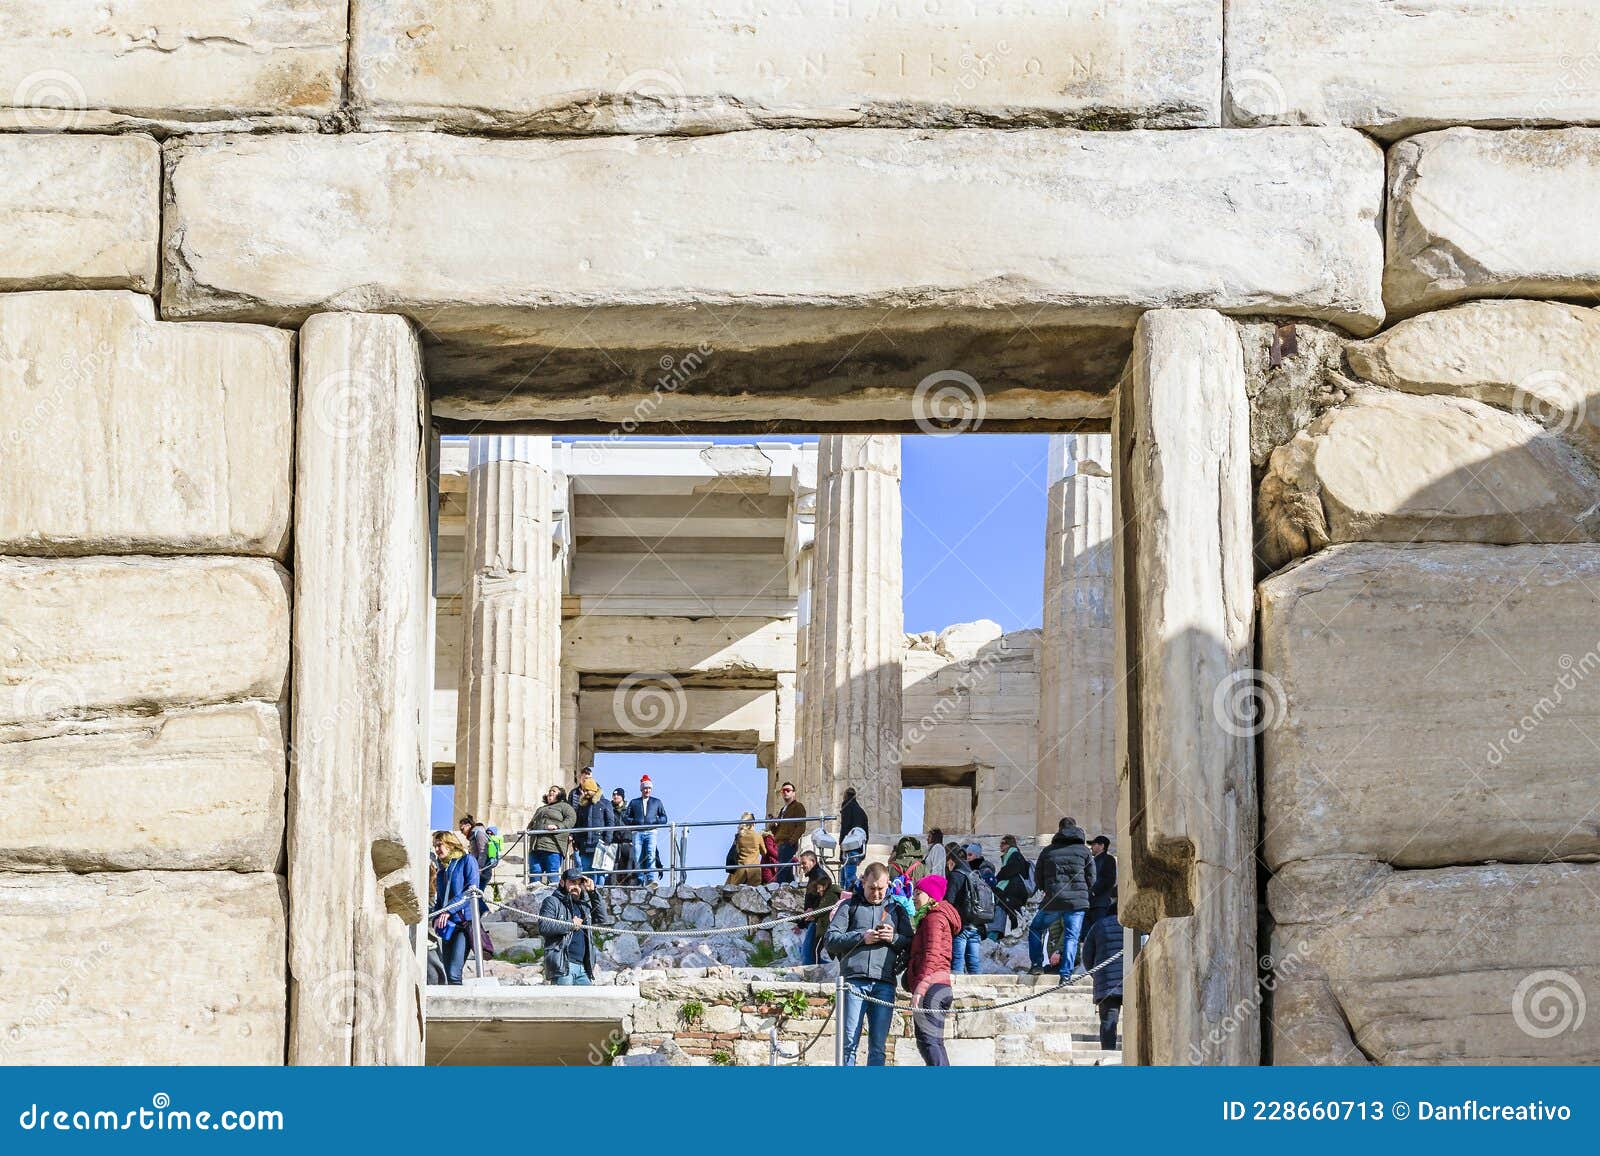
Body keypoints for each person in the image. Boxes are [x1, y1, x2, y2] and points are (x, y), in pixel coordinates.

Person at [825, 862, 913, 1066]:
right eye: (872, 888)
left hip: (884, 983)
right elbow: (831, 939)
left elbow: (910, 943)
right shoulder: (848, 906)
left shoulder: (897, 909)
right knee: (848, 1043)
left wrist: (894, 938)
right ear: (863, 882)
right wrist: (861, 937)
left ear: (888, 885)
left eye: (881, 889)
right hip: (854, 983)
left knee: (878, 1047)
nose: (876, 894)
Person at [1028, 819, 1096, 982]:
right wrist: (1083, 891)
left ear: (1059, 830)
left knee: (1036, 929)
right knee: (1072, 937)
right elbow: (1092, 877)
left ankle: (1037, 965)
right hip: (1077, 902)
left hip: (1053, 899)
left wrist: (1047, 888)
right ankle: (1066, 975)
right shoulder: (1084, 851)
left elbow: (1038, 876)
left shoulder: (1048, 851)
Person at [905, 875, 961, 1066]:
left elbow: (932, 955)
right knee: (930, 1042)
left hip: (932, 987)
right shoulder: (932, 917)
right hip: (939, 985)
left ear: (931, 896)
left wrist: (921, 988)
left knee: (929, 1042)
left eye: (918, 893)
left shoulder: (934, 919)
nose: (914, 897)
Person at [431, 830, 481, 985]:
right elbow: (440, 899)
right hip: (448, 926)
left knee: (453, 972)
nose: (437, 849)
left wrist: (448, 911)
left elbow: (471, 890)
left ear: (450, 843)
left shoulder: (467, 860)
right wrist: (435, 916)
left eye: (439, 845)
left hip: (463, 924)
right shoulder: (442, 871)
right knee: (447, 972)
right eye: (435, 846)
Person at [537, 868, 600, 985]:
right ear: (562, 883)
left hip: (583, 968)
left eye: (579, 883)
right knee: (562, 1002)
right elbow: (543, 926)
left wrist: (593, 892)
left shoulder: (584, 906)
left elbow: (602, 918)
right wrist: (570, 924)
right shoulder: (552, 901)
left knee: (589, 1001)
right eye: (572, 882)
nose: (576, 886)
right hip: (563, 966)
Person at [1082, 907, 1124, 1050]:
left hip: (1106, 980)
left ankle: (1108, 1052)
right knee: (1136, 1018)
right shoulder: (1134, 925)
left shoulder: (1098, 926)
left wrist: (1096, 975)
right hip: (1131, 979)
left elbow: (1087, 956)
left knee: (1108, 1020)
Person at [943, 842, 986, 974]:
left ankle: (956, 993)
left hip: (961, 926)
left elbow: (949, 902)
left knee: (957, 963)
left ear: (951, 861)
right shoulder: (974, 874)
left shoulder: (955, 875)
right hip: (976, 924)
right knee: (974, 964)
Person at [796, 849, 840, 965]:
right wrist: (801, 923)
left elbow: (824, 902)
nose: (802, 866)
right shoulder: (814, 876)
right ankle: (830, 969)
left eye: (804, 863)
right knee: (808, 954)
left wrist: (811, 914)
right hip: (814, 919)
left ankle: (814, 976)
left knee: (809, 954)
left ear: (813, 861)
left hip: (818, 920)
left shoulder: (820, 876)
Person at [623, 775, 668, 885]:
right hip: (637, 832)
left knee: (650, 854)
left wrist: (655, 822)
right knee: (637, 855)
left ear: (651, 789)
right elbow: (625, 817)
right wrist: (634, 822)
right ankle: (640, 879)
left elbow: (664, 817)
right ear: (641, 789)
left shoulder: (657, 802)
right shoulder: (634, 802)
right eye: (645, 788)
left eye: (649, 788)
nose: (647, 790)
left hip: (651, 832)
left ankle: (651, 878)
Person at [527, 784, 575, 882]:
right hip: (536, 846)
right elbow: (532, 823)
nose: (551, 792)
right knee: (534, 872)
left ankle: (555, 895)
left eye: (554, 791)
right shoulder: (541, 809)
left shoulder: (565, 807)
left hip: (553, 846)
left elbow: (571, 819)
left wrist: (558, 827)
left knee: (552, 873)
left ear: (560, 794)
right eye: (550, 791)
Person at [568, 774, 612, 881]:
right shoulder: (582, 806)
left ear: (593, 789)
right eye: (584, 791)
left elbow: (610, 822)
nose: (585, 793)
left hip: (600, 842)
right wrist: (576, 841)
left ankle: (600, 891)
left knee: (599, 870)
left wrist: (608, 839)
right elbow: (578, 824)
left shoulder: (605, 803)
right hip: (585, 843)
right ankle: (588, 892)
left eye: (587, 790)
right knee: (586, 870)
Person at [992, 834, 1032, 940]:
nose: (1000, 845)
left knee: (1006, 907)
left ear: (1009, 844)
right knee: (1006, 907)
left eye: (1003, 843)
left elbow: (1011, 870)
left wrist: (998, 877)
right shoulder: (1011, 855)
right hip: (1012, 888)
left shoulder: (1014, 854)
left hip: (1014, 889)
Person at [1083, 835, 1118, 957]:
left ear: (1102, 846)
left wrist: (1093, 891)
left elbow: (1108, 880)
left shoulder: (1108, 860)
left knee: (1099, 931)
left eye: (1094, 844)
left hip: (1100, 902)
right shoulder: (1091, 861)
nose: (1091, 847)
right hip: (1088, 903)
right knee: (1087, 934)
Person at [768, 781, 806, 884]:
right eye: (783, 791)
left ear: (793, 793)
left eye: (788, 790)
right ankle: (791, 888)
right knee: (786, 869)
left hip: (788, 843)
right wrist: (772, 827)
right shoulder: (782, 810)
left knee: (782, 869)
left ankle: (778, 889)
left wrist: (792, 841)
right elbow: (779, 831)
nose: (785, 793)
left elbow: (801, 826)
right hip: (781, 843)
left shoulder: (798, 806)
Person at [838, 786, 870, 889]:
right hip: (858, 848)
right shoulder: (862, 812)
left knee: (848, 878)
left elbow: (845, 828)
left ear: (845, 796)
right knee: (845, 876)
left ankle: (850, 899)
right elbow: (866, 835)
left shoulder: (846, 805)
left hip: (848, 847)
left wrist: (840, 849)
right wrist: (862, 854)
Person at [726, 812, 765, 885]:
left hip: (740, 870)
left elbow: (736, 851)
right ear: (753, 823)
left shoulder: (739, 836)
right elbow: (764, 852)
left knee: (732, 892)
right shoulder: (758, 836)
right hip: (754, 871)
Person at [608, 788, 634, 879]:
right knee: (614, 865)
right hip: (614, 841)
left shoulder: (629, 810)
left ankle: (630, 884)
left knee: (629, 862)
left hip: (627, 840)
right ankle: (612, 885)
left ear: (622, 797)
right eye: (614, 795)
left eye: (618, 795)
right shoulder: (609, 809)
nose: (615, 797)